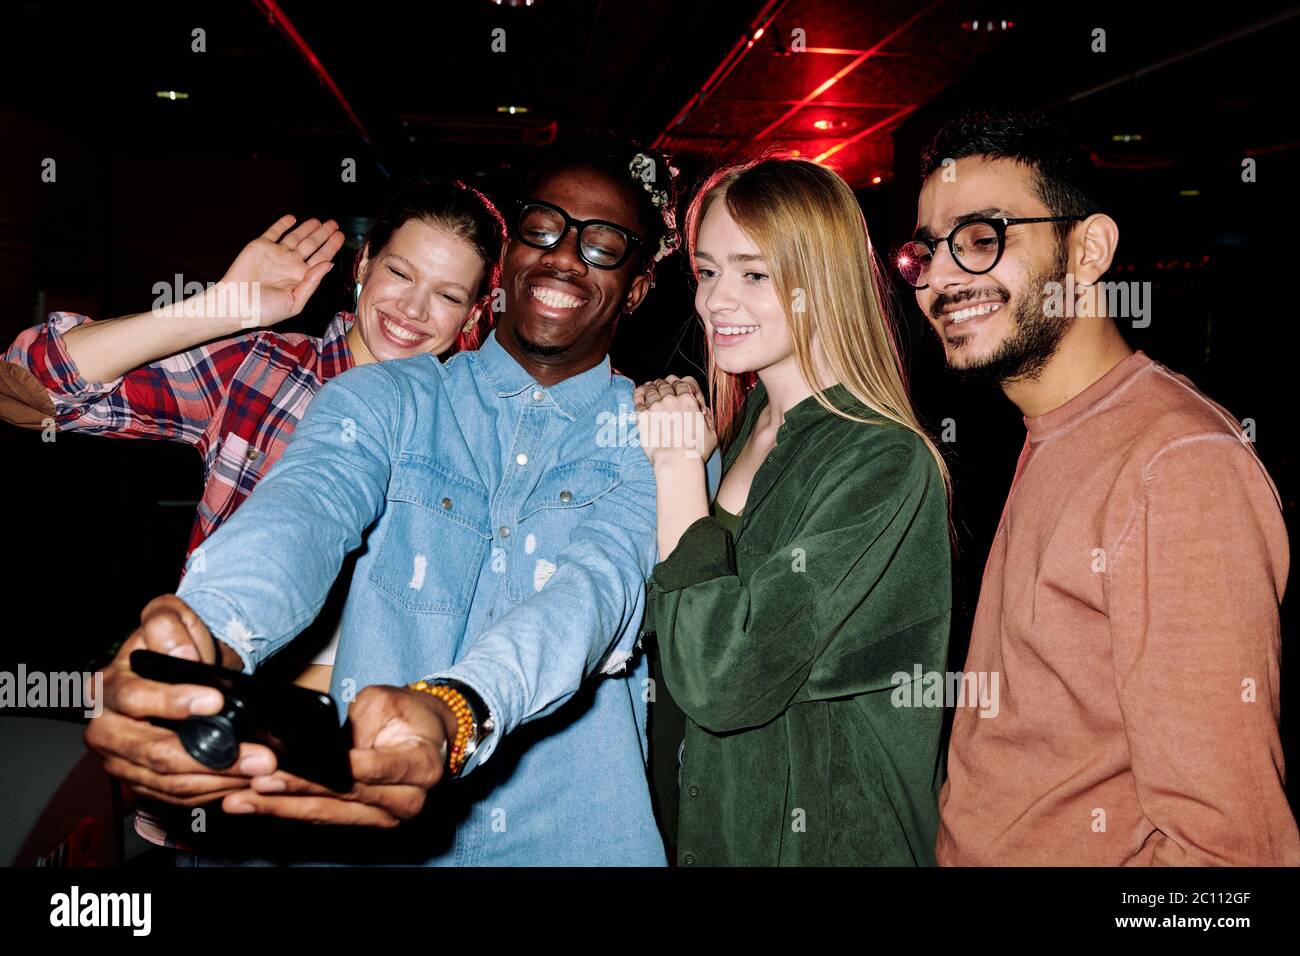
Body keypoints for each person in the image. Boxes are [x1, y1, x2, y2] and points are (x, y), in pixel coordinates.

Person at [83, 135, 723, 866]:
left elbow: (596, 589)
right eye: (543, 228)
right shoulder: (384, 394)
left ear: (637, 289)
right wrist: (206, 633)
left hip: (575, 837)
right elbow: (306, 510)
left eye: (604, 244)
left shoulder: (661, 436)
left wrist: (454, 711)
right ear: (508, 260)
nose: (566, 256)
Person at [0, 176, 506, 849]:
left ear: (474, 311)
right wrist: (223, 307)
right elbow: (32, 391)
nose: (413, 309)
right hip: (223, 769)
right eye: (399, 273)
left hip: (373, 784)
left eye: (447, 294)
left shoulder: (474, 427)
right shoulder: (266, 371)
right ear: (362, 266)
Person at [898, 108, 1300, 865]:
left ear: (1088, 250)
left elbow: (1230, 854)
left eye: (981, 240)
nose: (942, 278)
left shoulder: (1176, 468)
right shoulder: (1055, 425)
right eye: (925, 253)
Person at [634, 157, 952, 866]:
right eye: (708, 270)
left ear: (822, 284)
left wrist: (680, 469)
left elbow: (720, 678)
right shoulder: (751, 428)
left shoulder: (883, 461)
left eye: (754, 274)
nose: (717, 300)